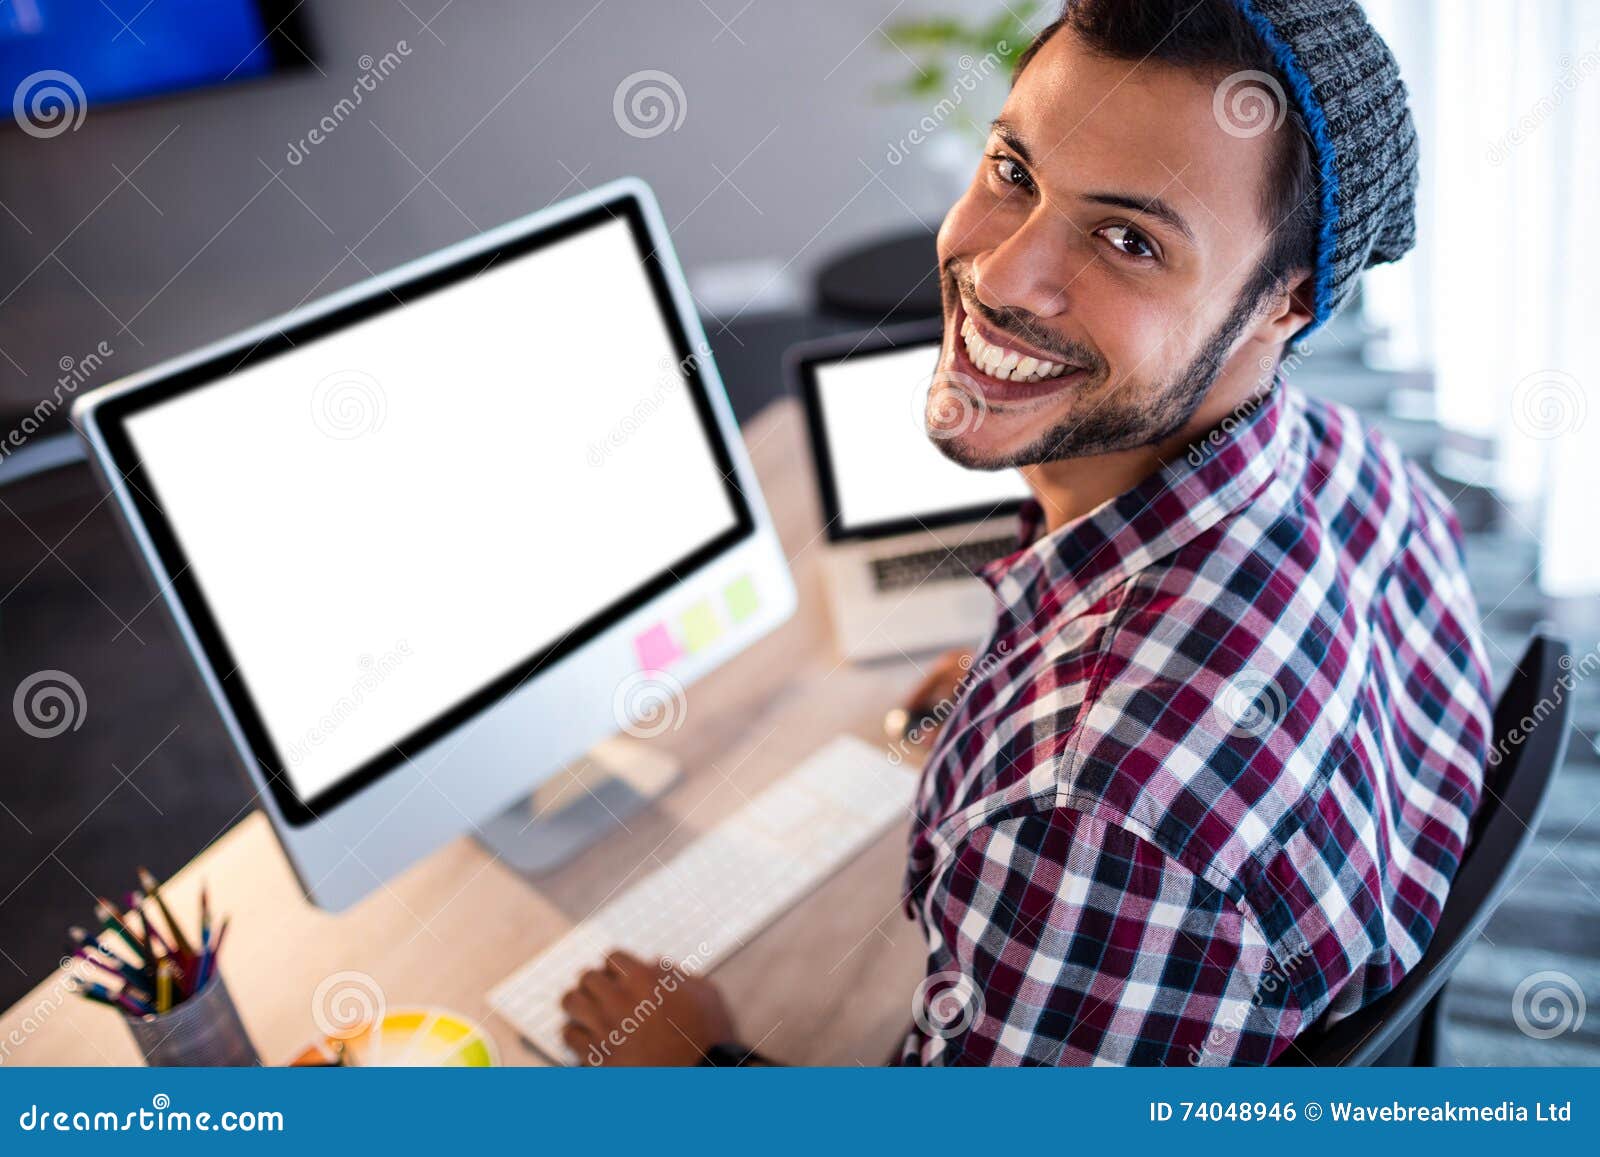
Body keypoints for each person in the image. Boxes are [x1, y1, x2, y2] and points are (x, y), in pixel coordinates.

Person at [558, 0, 1493, 1066]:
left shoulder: (1096, 824)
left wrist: (700, 1072)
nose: (996, 276)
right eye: (1013, 172)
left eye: (1128, 239)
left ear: (1285, 300)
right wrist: (1014, 684)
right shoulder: (1355, 461)